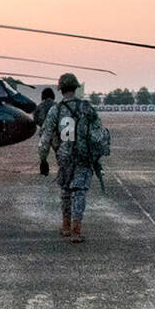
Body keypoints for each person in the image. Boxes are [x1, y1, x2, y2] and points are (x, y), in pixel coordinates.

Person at [38, 72, 101, 243]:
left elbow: (45, 137)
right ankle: (76, 229)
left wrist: (43, 159)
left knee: (65, 191)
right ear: (75, 87)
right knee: (79, 192)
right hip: (83, 156)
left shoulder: (55, 110)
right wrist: (96, 155)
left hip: (64, 157)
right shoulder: (87, 107)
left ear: (61, 90)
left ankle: (66, 226)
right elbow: (98, 134)